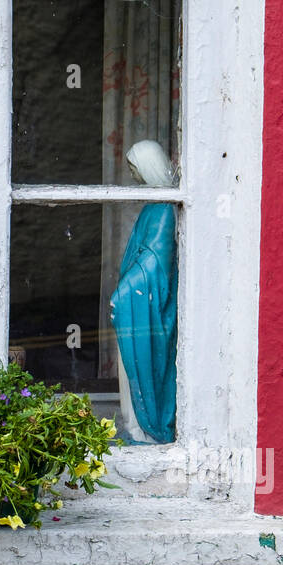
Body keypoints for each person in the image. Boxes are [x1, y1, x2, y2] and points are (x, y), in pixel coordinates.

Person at [111, 140, 177, 444]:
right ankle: (135, 426)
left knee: (142, 366)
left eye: (135, 168)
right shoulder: (155, 207)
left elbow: (154, 263)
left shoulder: (164, 210)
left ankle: (145, 427)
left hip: (141, 304)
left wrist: (125, 292)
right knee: (130, 365)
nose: (132, 175)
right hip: (135, 305)